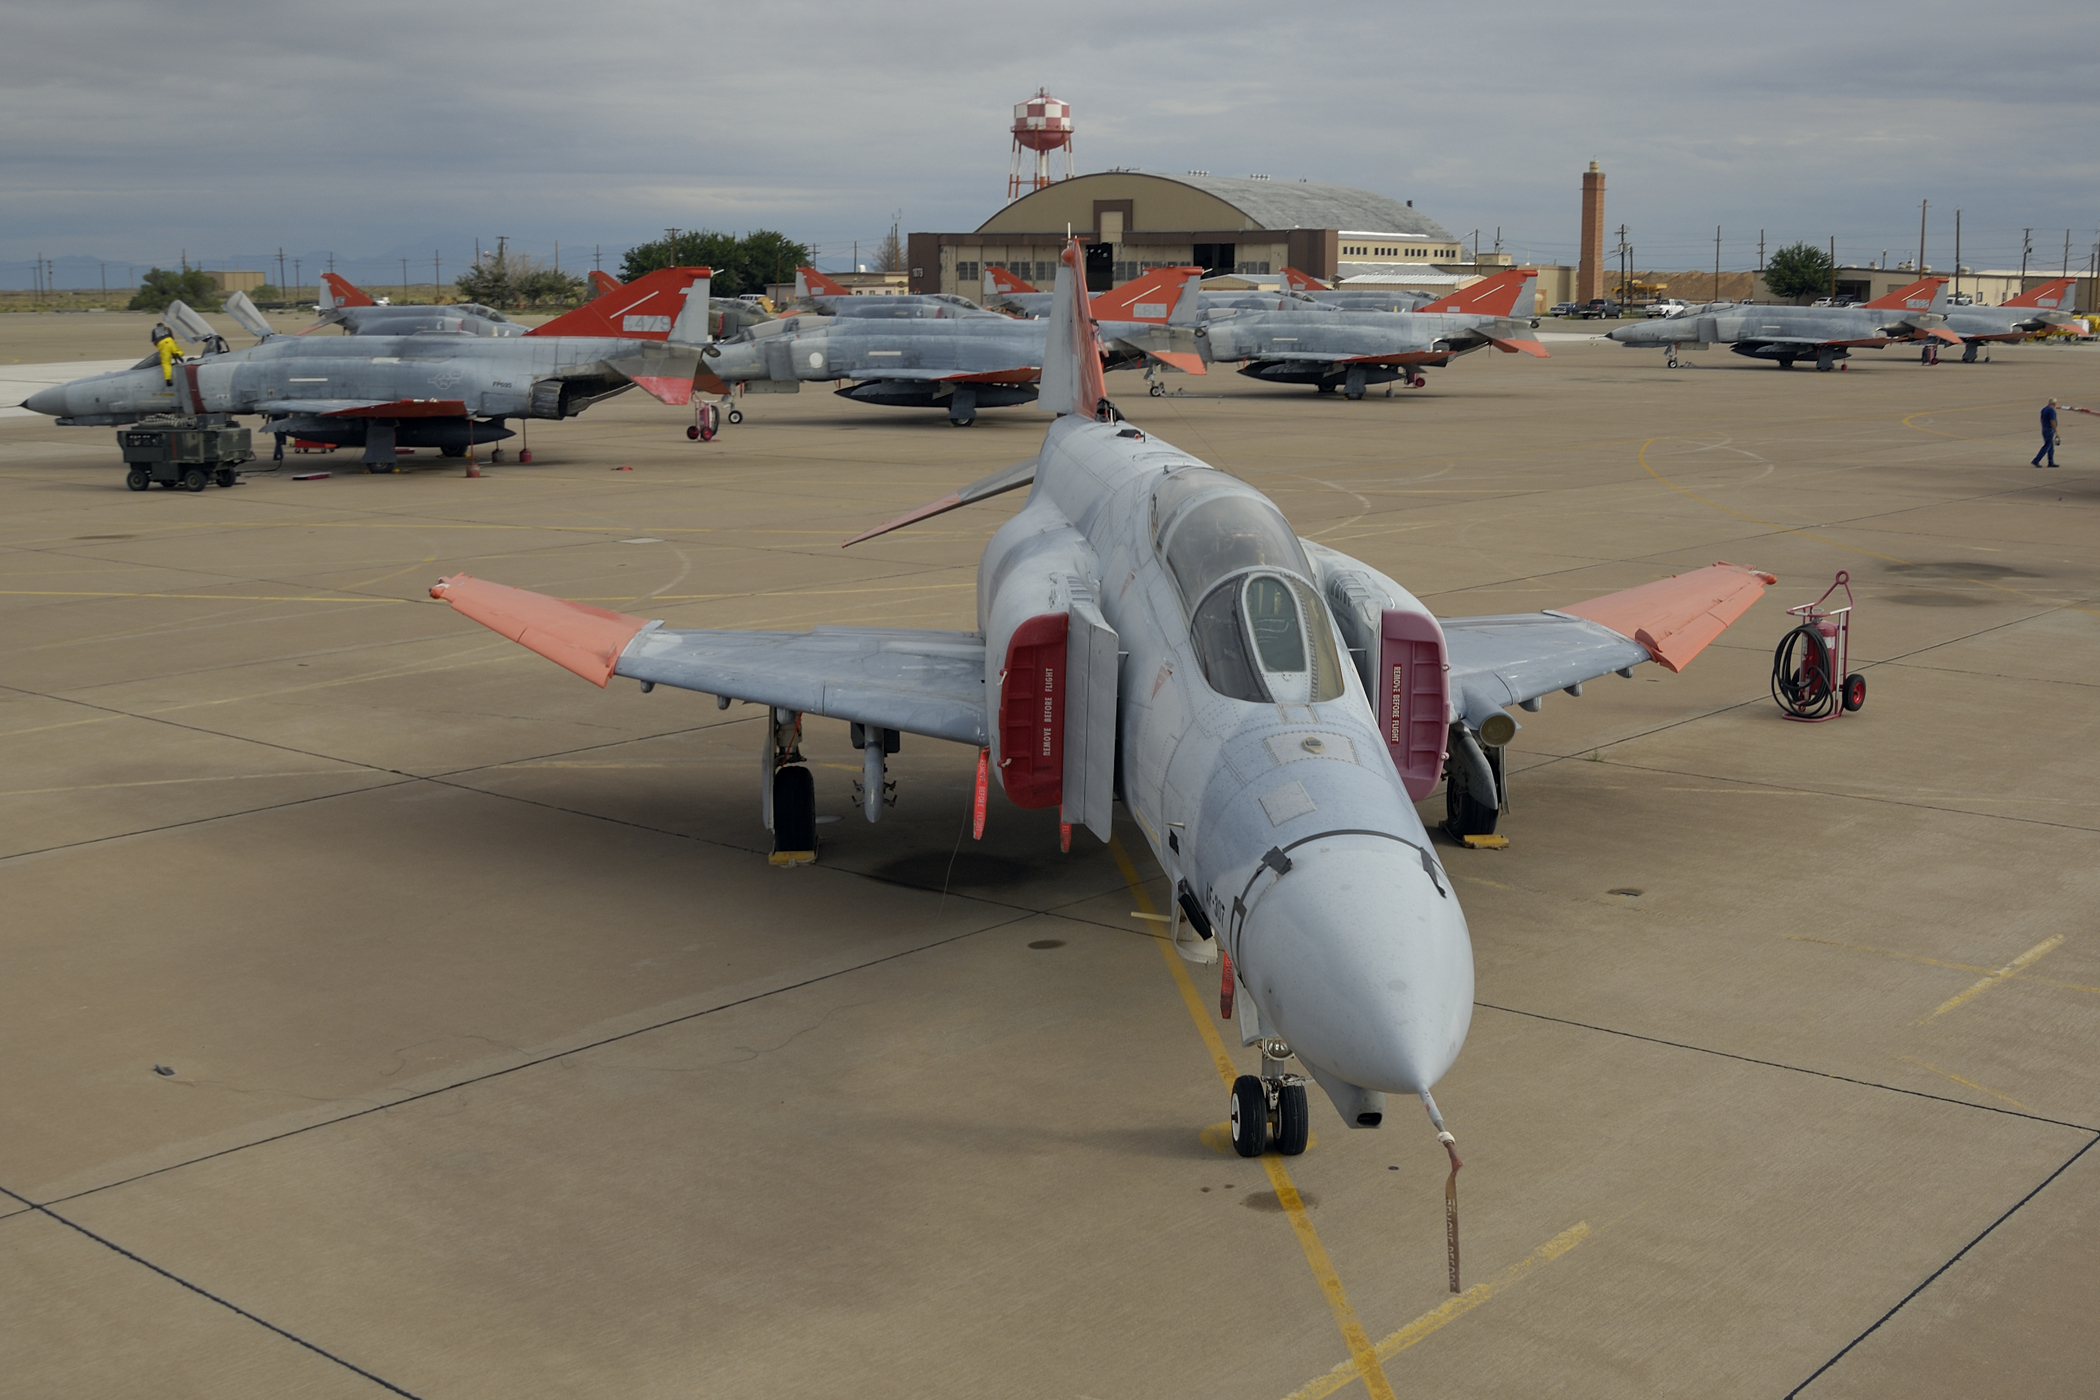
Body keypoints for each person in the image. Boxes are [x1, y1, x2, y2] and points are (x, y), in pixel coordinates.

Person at [2032, 399, 2060, 468]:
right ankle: (2036, 460)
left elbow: (2041, 419)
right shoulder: (2051, 410)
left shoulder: (2044, 409)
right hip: (2049, 429)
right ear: (2054, 404)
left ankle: (2051, 462)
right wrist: (2056, 431)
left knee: (2051, 447)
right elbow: (2052, 421)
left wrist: (2044, 427)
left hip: (2044, 429)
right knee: (2047, 446)